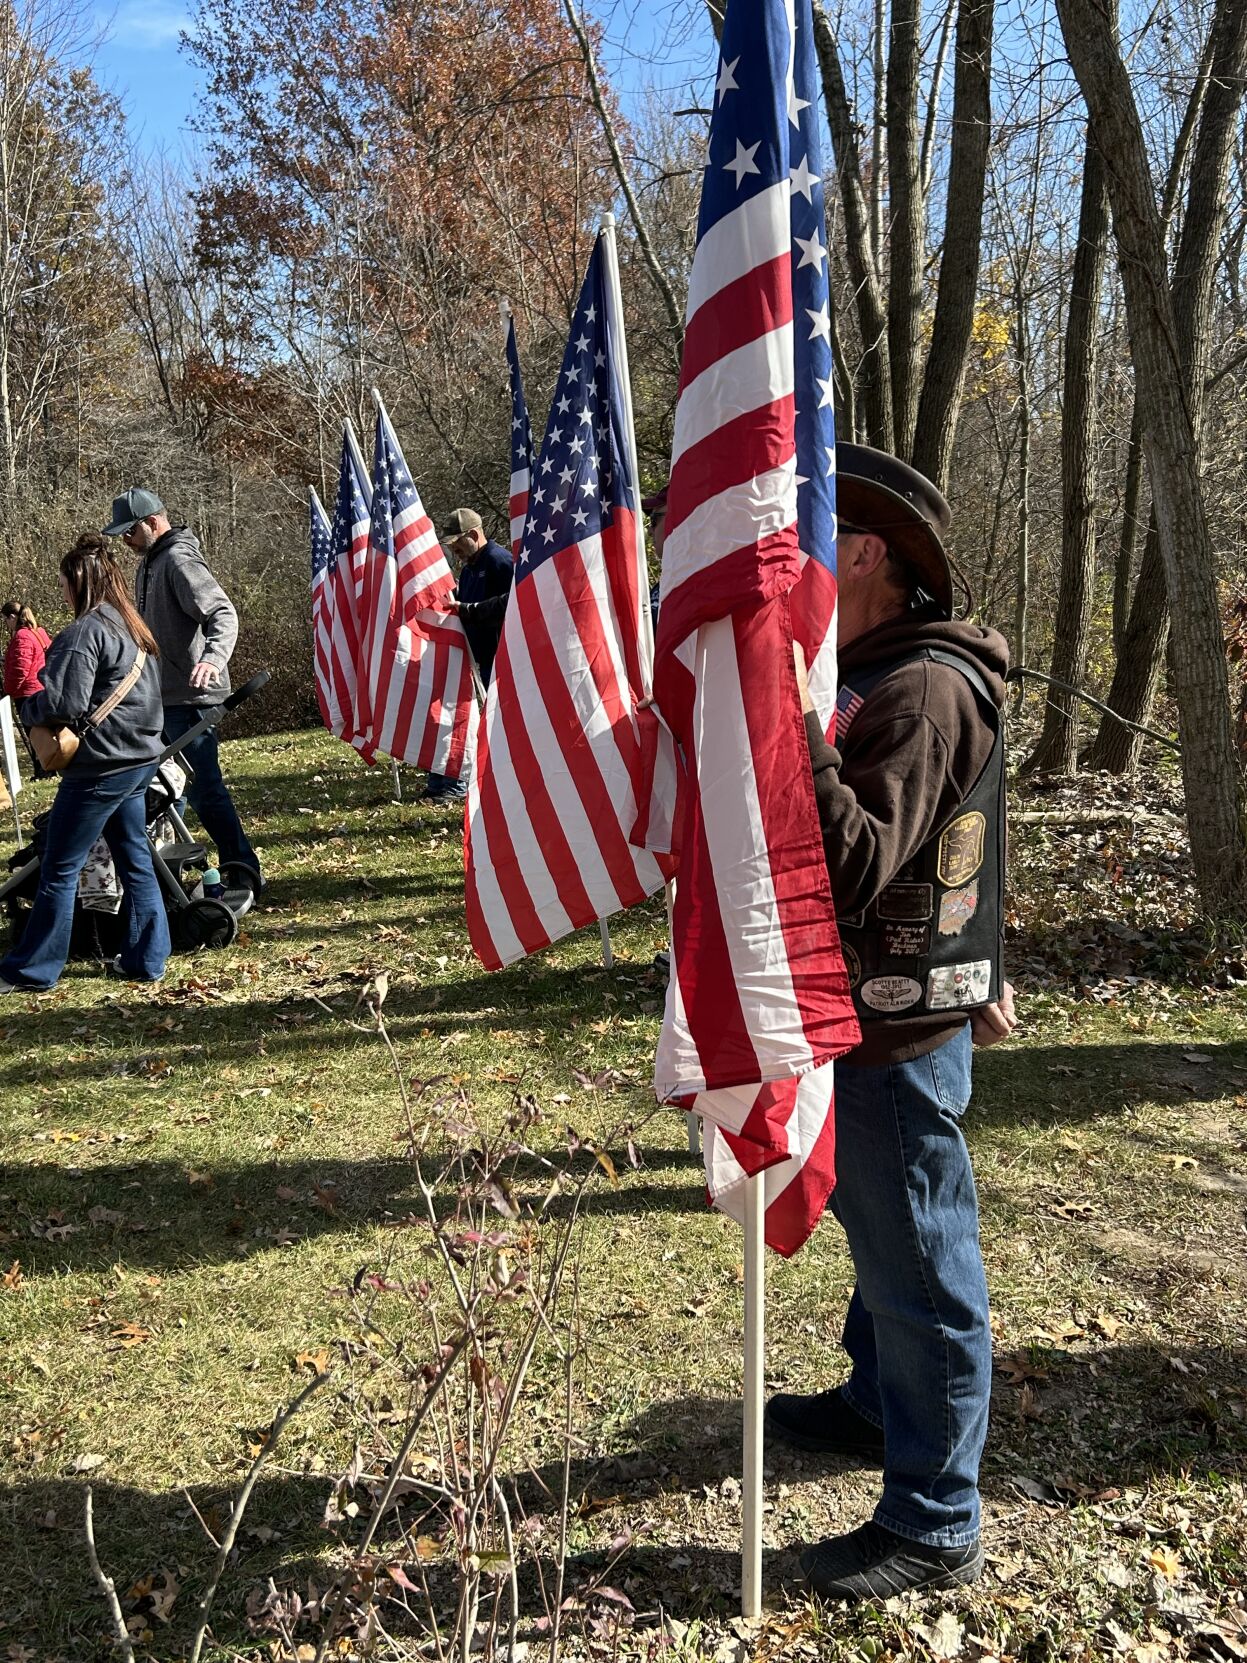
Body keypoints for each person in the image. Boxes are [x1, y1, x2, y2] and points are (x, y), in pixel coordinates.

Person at [765, 443, 1018, 1602]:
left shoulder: (916, 686)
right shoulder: (874, 665)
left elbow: (862, 863)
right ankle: (877, 1404)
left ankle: (934, 1513)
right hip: (871, 1007)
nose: (797, 562)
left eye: (817, 538)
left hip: (898, 1030)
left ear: (862, 553)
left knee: (920, 1264)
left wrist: (792, 726)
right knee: (881, 1244)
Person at [0, 534, 169, 993]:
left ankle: (31, 970)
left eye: (63, 583)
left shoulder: (84, 633)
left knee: (59, 867)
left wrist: (28, 708)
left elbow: (61, 701)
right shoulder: (133, 627)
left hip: (100, 768)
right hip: (138, 761)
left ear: (79, 582)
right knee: (134, 859)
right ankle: (146, 960)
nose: (61, 591)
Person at [101, 487, 262, 892]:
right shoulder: (149, 563)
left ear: (153, 522)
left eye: (129, 531)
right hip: (161, 697)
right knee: (166, 789)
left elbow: (222, 612)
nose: (125, 539)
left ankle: (243, 869)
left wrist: (212, 659)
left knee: (205, 789)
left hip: (192, 700)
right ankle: (161, 874)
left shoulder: (177, 559)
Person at [423, 507, 513, 802]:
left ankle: (484, 780)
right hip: (476, 661)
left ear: (474, 535)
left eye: (457, 543)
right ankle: (458, 779)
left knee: (496, 724)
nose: (455, 551)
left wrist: (469, 611)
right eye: (450, 546)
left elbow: (512, 602)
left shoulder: (499, 561)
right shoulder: (470, 568)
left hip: (500, 659)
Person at [2, 601, 52, 700]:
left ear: (12, 617)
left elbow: (20, 668)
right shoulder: (39, 632)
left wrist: (8, 691)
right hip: (43, 688)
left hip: (27, 693)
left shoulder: (22, 636)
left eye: (5, 620)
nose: (6, 623)